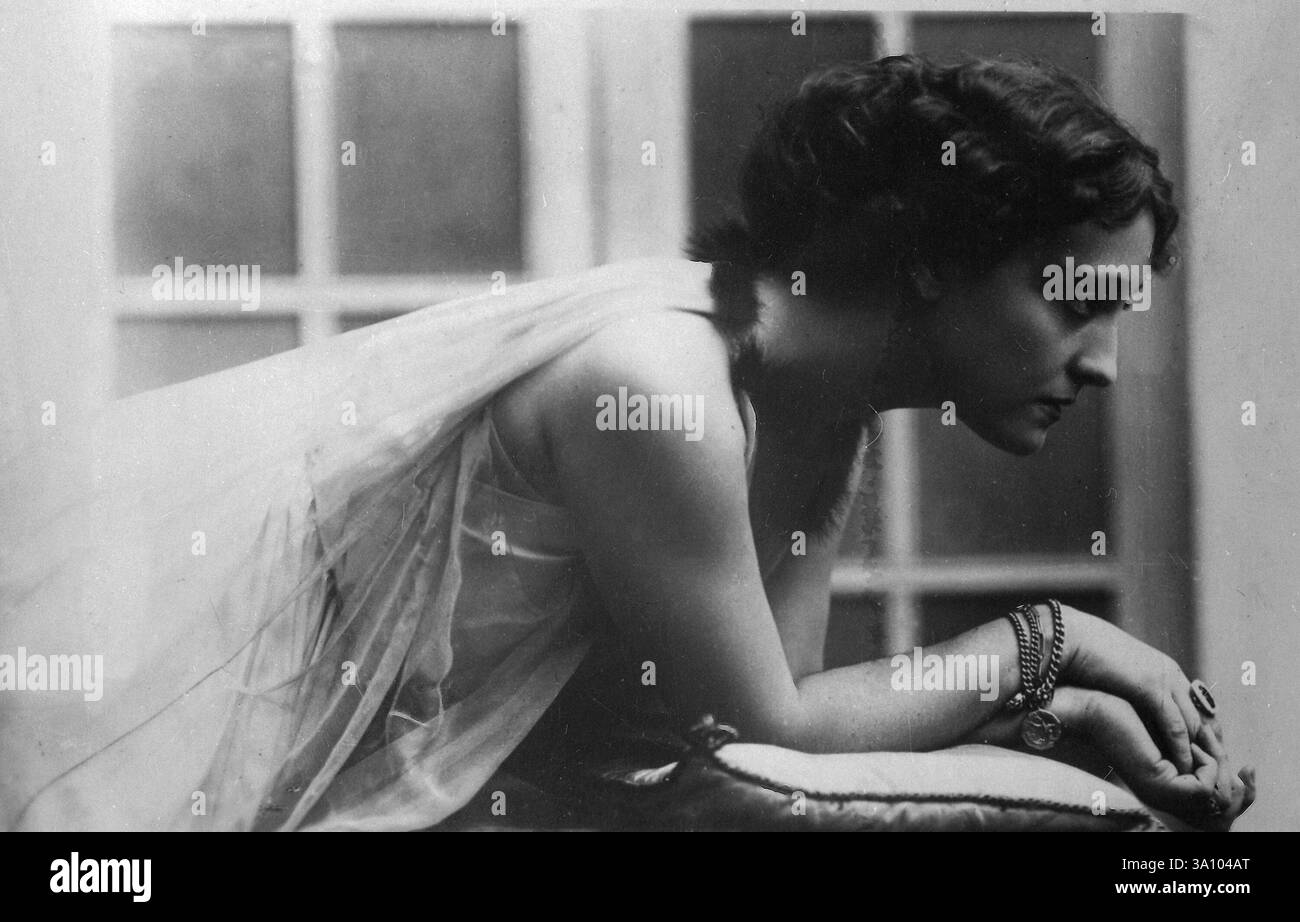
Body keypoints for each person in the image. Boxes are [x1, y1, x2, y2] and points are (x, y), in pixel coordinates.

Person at [0, 54, 1252, 831]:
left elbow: (765, 744)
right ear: (929, 258)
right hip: (126, 712)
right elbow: (780, 722)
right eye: (1075, 302)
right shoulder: (661, 382)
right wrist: (1059, 641)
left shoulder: (814, 419)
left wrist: (1055, 719)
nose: (1095, 364)